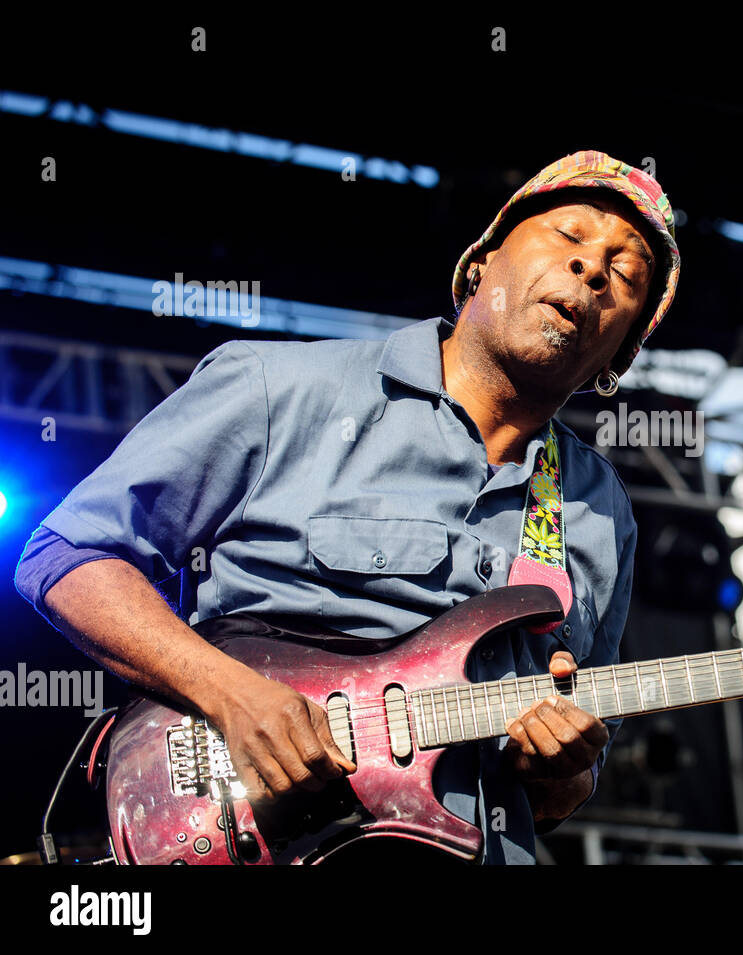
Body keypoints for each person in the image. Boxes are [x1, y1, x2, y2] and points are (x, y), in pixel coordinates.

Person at [13, 149, 681, 864]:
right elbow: (66, 555)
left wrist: (562, 768)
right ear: (480, 264)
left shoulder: (600, 509)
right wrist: (232, 694)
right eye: (569, 235)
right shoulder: (281, 388)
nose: (592, 269)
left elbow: (561, 792)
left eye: (627, 273)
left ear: (621, 355)